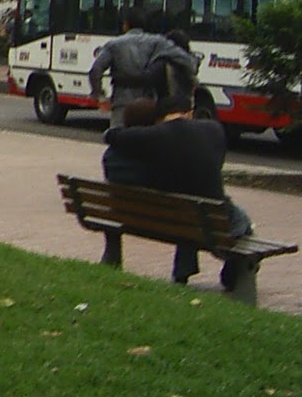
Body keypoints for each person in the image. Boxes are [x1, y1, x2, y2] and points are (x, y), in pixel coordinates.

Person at [102, 93, 253, 286]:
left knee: (190, 210)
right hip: (205, 216)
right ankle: (233, 269)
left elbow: (113, 135)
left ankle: (185, 271)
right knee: (241, 221)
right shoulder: (212, 130)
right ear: (189, 113)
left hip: (167, 215)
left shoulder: (140, 145)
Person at [87, 8, 198, 127]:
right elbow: (185, 59)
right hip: (148, 104)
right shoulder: (158, 42)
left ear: (126, 25)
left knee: (119, 137)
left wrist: (99, 95)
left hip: (122, 100)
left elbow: (95, 71)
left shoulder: (113, 44)